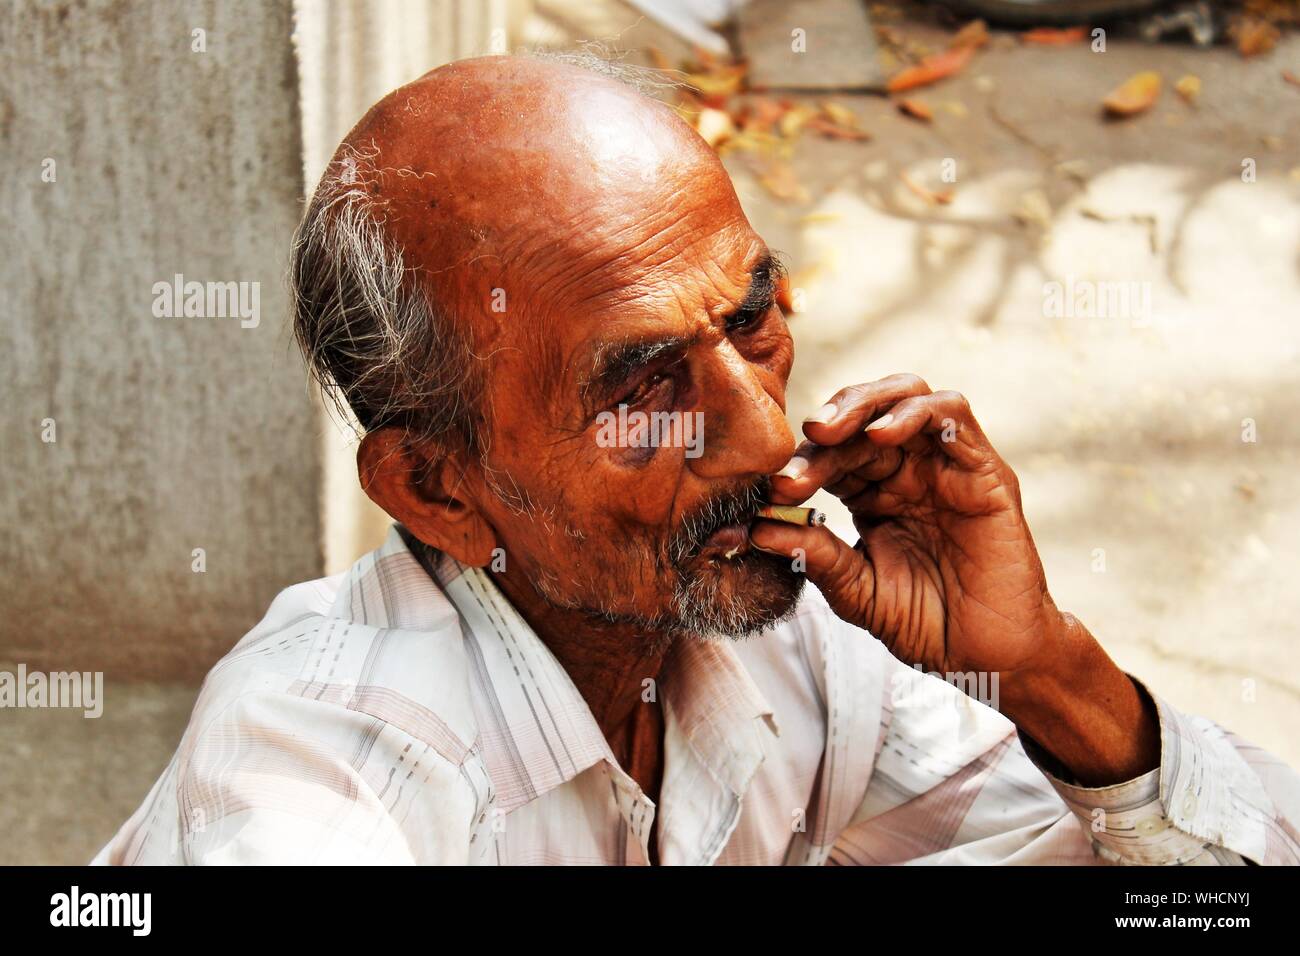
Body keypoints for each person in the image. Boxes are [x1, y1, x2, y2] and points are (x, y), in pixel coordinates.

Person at [94, 55, 1299, 865]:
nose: (770, 439)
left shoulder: (784, 637)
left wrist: (1042, 668)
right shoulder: (315, 777)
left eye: (753, 318)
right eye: (640, 385)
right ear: (436, 489)